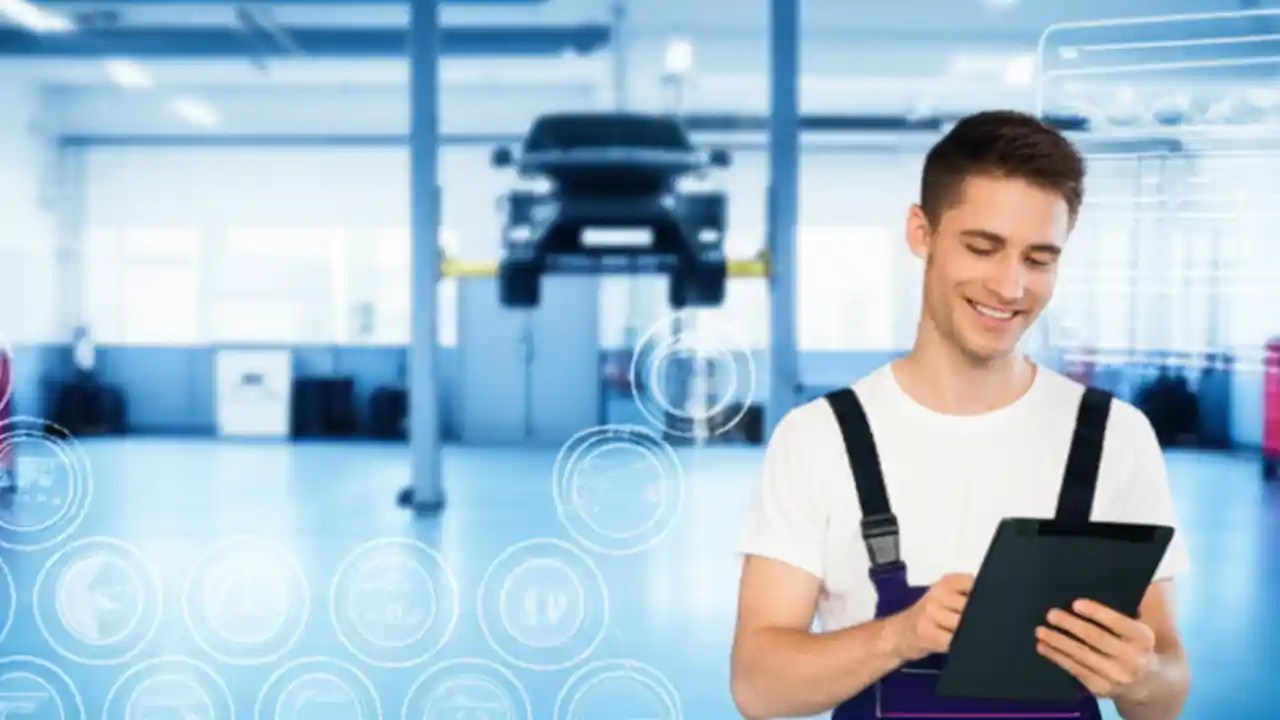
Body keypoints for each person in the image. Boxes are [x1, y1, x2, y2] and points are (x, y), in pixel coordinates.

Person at [730, 110, 1191, 720]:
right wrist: (900, 636)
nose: (1010, 286)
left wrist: (1140, 677)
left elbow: (1165, 693)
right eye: (982, 248)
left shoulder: (1115, 437)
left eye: (1039, 259)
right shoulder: (819, 439)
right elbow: (758, 687)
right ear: (920, 233)